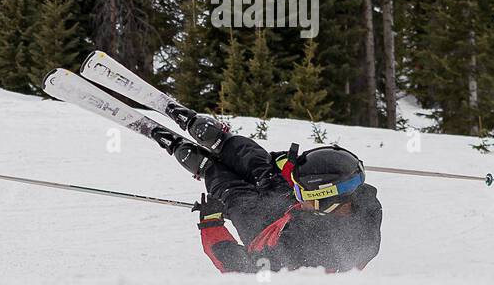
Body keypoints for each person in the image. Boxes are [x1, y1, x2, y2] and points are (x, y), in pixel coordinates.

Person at [158, 113, 381, 273]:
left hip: (259, 228)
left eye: (303, 193)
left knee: (230, 187)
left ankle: (202, 163)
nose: (300, 194)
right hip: (286, 207)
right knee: (257, 162)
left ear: (325, 202)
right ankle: (218, 139)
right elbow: (335, 172)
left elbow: (240, 268)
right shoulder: (364, 203)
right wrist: (294, 171)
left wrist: (211, 226)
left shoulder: (305, 257)